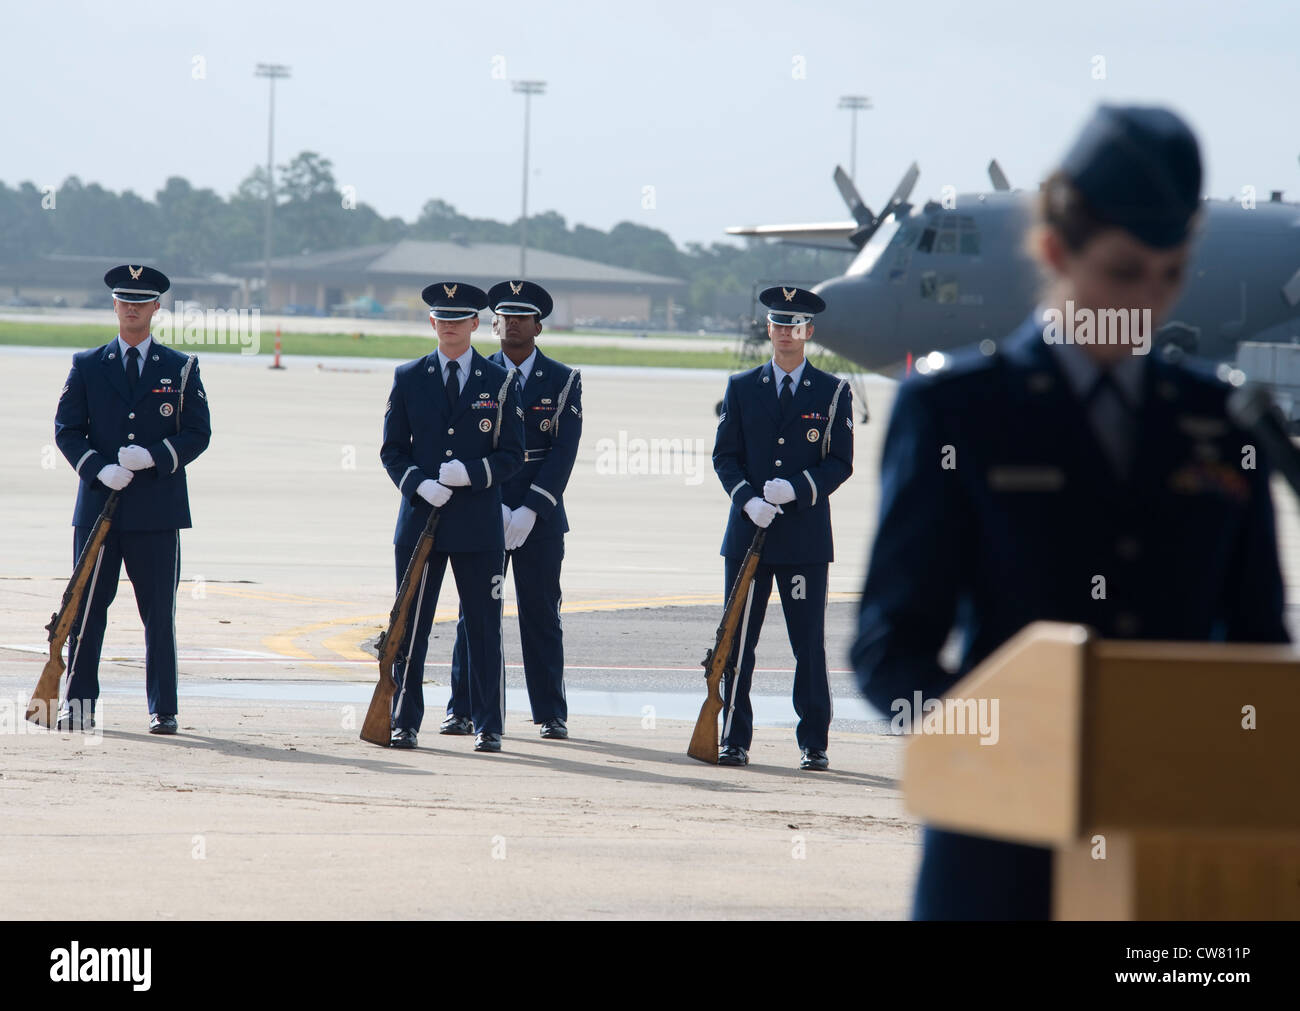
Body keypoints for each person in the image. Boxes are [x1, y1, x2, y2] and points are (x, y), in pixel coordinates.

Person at [852, 104, 1289, 919]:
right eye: (1125, 274)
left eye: (1170, 274)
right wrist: (1007, 738)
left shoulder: (1220, 422)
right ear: (1055, 251)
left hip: (1172, 862)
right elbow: (890, 651)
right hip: (995, 856)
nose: (1149, 301)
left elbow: (1258, 650)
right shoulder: (959, 412)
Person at [53, 264, 211, 734]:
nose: (133, 309)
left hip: (157, 512)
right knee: (87, 608)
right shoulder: (87, 364)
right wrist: (98, 467)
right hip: (98, 507)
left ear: (157, 308)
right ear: (115, 305)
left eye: (142, 302)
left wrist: (155, 457)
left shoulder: (180, 368)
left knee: (159, 613)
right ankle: (77, 705)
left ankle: (164, 709)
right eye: (125, 301)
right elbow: (66, 431)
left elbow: (198, 434)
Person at [711, 285, 854, 770]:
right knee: (737, 644)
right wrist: (748, 500)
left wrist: (797, 488)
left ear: (809, 332)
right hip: (749, 534)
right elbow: (724, 456)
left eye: (795, 326)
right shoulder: (741, 386)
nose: (786, 333)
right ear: (768, 329)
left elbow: (840, 462)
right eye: (778, 324)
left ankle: (814, 742)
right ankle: (733, 737)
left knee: (807, 645)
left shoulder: (834, 392)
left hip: (803, 539)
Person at [379, 281, 524, 752]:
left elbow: (512, 455)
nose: (450, 326)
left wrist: (472, 474)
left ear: (475, 324)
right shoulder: (408, 376)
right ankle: (404, 719)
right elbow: (392, 450)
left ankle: (488, 723)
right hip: (420, 520)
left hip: (477, 525)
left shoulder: (499, 381)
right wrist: (418, 483)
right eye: (443, 318)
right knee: (410, 628)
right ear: (431, 323)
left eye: (459, 319)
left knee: (483, 627)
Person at [444, 280, 582, 740]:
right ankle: (462, 708)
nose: (514, 323)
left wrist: (529, 510)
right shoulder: (476, 374)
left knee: (541, 612)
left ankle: (550, 712)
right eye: (505, 316)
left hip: (538, 517)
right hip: (483, 510)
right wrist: (496, 506)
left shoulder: (563, 380)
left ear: (539, 326)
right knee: (475, 614)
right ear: (493, 323)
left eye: (523, 316)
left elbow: (563, 453)